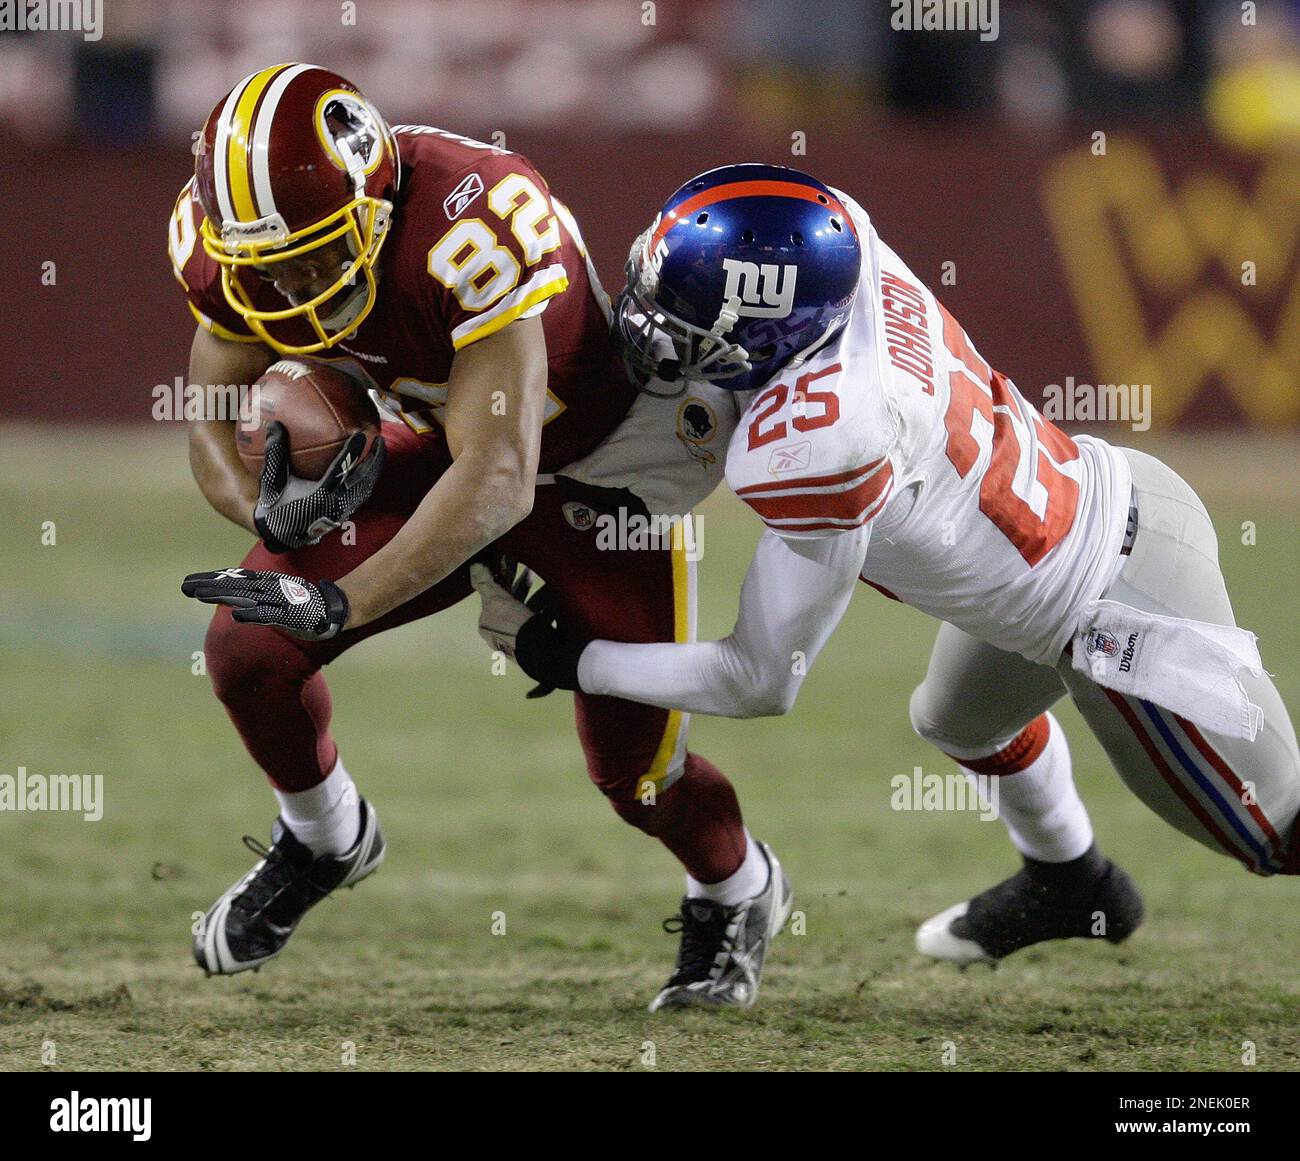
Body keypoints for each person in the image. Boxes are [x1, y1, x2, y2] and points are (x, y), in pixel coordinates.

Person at [476, 162, 1300, 965]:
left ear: (767, 333)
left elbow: (759, 679)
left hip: (1123, 613)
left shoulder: (819, 444)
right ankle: (1071, 880)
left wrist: (572, 657)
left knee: (1277, 834)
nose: (650, 322)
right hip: (1102, 508)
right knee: (958, 718)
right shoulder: (843, 245)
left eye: (685, 316)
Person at [173, 66, 790, 1009]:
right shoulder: (237, 251)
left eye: (313, 252)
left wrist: (342, 599)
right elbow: (212, 421)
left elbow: (500, 476)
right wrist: (261, 513)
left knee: (638, 776)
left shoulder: (471, 222)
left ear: (372, 209)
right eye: (271, 262)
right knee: (249, 645)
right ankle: (326, 834)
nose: (291, 281)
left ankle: (736, 887)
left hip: (598, 469)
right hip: (442, 447)